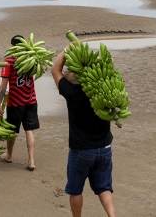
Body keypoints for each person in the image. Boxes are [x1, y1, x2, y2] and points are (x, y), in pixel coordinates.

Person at [51, 44, 117, 217]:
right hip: (105, 148)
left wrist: (65, 50)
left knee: (75, 190)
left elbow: (55, 69)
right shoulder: (104, 93)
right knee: (104, 187)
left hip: (81, 150)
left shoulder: (72, 93)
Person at [0, 35, 39, 170]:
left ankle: (9, 156)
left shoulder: (9, 61)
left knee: (11, 130)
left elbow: (4, 85)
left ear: (12, 46)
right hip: (31, 100)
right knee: (29, 130)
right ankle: (31, 161)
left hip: (15, 102)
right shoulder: (31, 59)